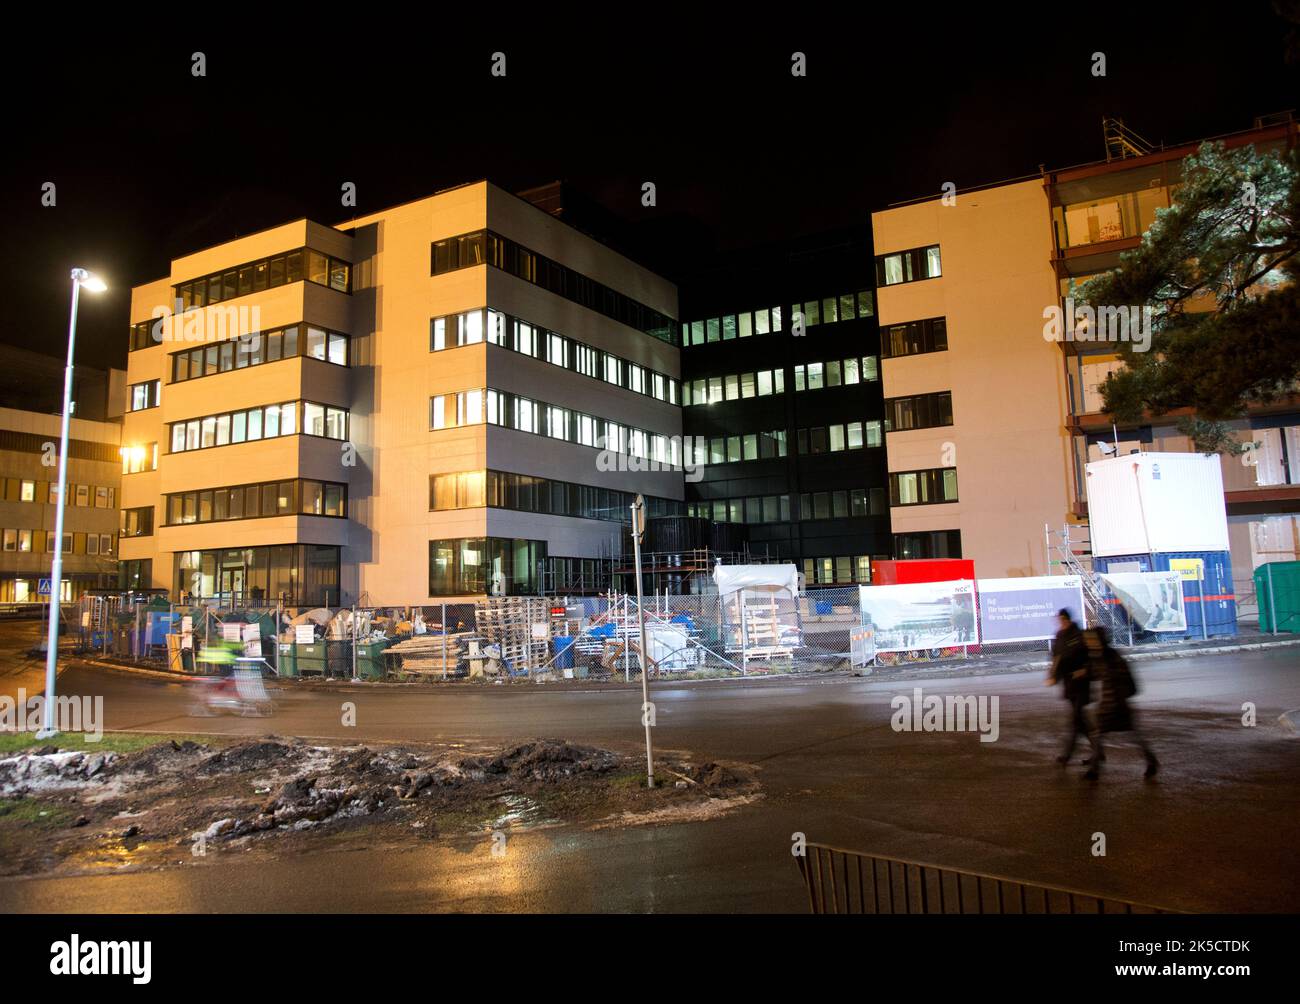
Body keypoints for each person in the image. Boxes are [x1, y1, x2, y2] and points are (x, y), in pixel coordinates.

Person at [1082, 626, 1159, 780]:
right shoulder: (1101, 656)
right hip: (1114, 705)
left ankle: (1094, 770)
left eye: (1091, 640)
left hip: (1115, 706)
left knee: (1099, 736)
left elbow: (1119, 679)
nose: (1089, 642)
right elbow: (1096, 675)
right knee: (1129, 735)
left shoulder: (1109, 657)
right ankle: (1151, 762)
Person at [1047, 608, 1099, 766]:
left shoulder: (1081, 636)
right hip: (1069, 685)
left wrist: (1085, 670)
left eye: (1062, 620)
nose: (1060, 623)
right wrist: (1053, 676)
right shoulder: (1060, 636)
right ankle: (1098, 751)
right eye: (1059, 620)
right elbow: (1056, 658)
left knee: (1076, 721)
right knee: (1082, 722)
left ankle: (1067, 756)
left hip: (1082, 684)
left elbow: (1094, 658)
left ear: (1067, 620)